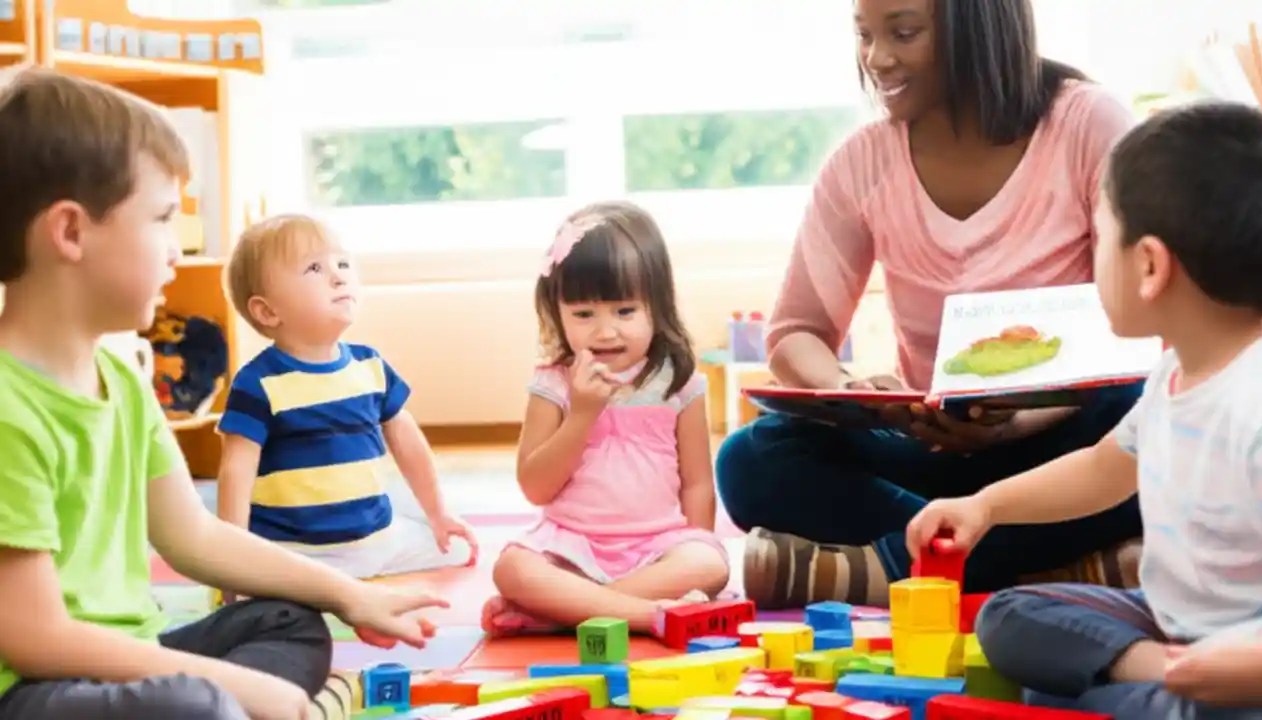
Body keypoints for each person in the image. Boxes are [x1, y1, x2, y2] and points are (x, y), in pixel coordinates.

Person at [0, 67, 447, 720]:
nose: (177, 252)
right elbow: (35, 640)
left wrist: (345, 592)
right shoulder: (9, 408)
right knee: (191, 702)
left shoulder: (119, 378)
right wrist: (234, 689)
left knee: (291, 621)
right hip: (33, 690)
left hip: (132, 654)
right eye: (160, 218)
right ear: (70, 232)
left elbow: (194, 537)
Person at [714, 0, 1145, 610]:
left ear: (978, 26)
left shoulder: (1087, 124)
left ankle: (892, 569)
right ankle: (1046, 565)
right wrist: (855, 391)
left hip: (1063, 447)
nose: (876, 58)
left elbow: (1136, 315)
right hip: (922, 446)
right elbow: (796, 333)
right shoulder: (862, 162)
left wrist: (1025, 418)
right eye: (864, 35)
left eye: (904, 33)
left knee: (1149, 422)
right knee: (750, 458)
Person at [907, 101, 1262, 717]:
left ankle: (1144, 689)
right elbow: (1105, 468)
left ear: (1151, 266)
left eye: (1100, 236)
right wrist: (986, 506)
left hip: (1252, 668)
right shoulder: (1172, 376)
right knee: (1010, 615)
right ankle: (1151, 678)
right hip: (1173, 633)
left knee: (1090, 691)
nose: (1091, 253)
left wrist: (1254, 668)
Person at [483, 201, 730, 636]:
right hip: (570, 548)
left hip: (656, 550)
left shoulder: (680, 382)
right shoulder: (553, 383)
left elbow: (697, 482)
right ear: (556, 311)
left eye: (624, 311)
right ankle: (644, 615)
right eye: (583, 314)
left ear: (657, 305)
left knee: (709, 563)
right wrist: (581, 414)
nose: (605, 331)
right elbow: (535, 487)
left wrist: (697, 546)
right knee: (512, 569)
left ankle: (566, 614)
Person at [217, 214, 478, 592]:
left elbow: (407, 441)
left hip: (374, 540)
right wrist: (233, 560)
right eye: (314, 268)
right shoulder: (258, 383)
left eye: (342, 264)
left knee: (457, 550)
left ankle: (347, 579)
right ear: (268, 311)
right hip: (296, 550)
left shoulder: (369, 366)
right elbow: (235, 473)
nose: (338, 276)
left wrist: (438, 515)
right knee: (265, 585)